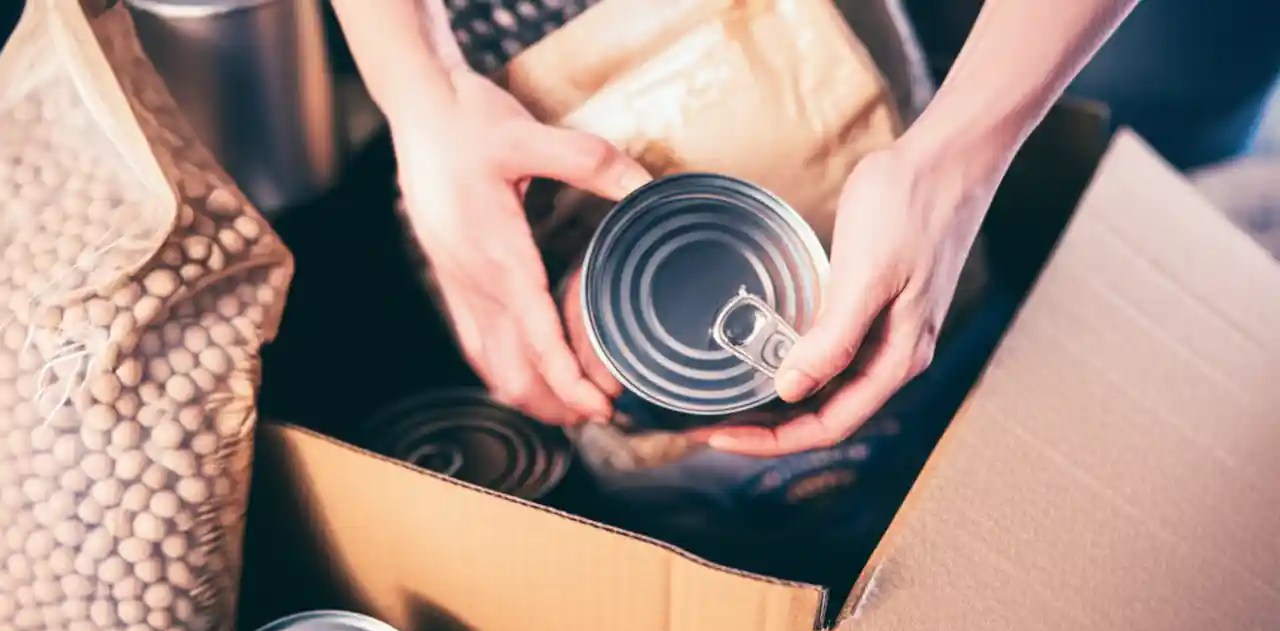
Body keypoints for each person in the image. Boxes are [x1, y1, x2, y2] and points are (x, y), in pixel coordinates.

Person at [329, 0, 1139, 456]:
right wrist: (422, 91)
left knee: (922, 359)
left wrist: (956, 161)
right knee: (591, 400)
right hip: (491, 78)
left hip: (810, 38)